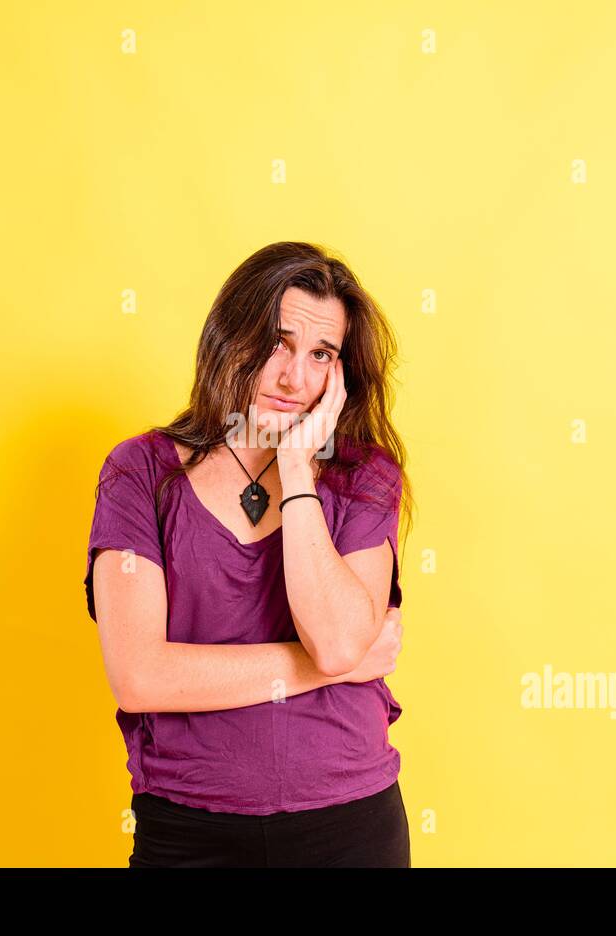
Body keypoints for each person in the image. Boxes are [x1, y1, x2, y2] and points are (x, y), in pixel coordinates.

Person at [84, 241, 415, 866]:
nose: (294, 377)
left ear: (340, 374)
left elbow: (340, 640)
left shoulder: (363, 477)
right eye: (277, 343)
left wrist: (294, 468)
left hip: (350, 827)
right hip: (190, 830)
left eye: (321, 354)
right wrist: (322, 667)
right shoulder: (140, 473)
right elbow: (139, 677)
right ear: (228, 338)